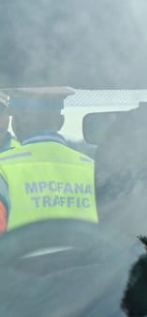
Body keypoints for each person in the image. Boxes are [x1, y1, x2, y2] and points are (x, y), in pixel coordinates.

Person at [0, 87, 96, 232]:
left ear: (16, 123)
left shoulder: (3, 168)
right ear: (60, 122)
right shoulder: (93, 168)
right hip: (87, 255)